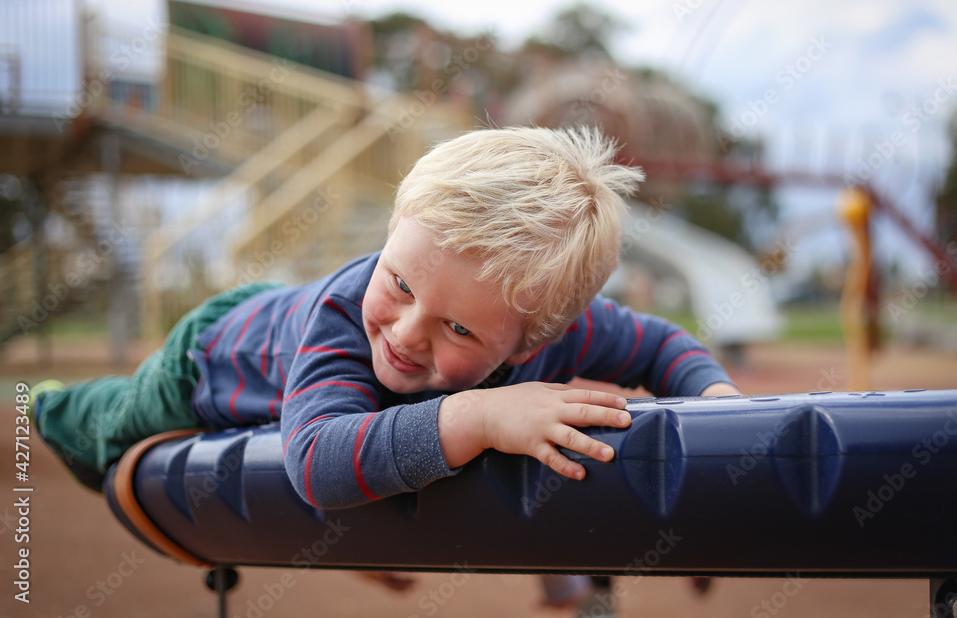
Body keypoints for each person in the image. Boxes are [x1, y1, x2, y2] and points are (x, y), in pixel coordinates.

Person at [32, 125, 738, 610]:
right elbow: (314, 462)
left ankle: (566, 585)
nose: (403, 331)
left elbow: (659, 346)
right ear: (392, 236)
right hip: (213, 357)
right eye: (398, 280)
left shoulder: (553, 327)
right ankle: (47, 406)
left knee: (534, 425)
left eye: (458, 325)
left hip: (378, 392)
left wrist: (717, 399)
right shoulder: (345, 319)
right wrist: (480, 413)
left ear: (532, 338)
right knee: (113, 425)